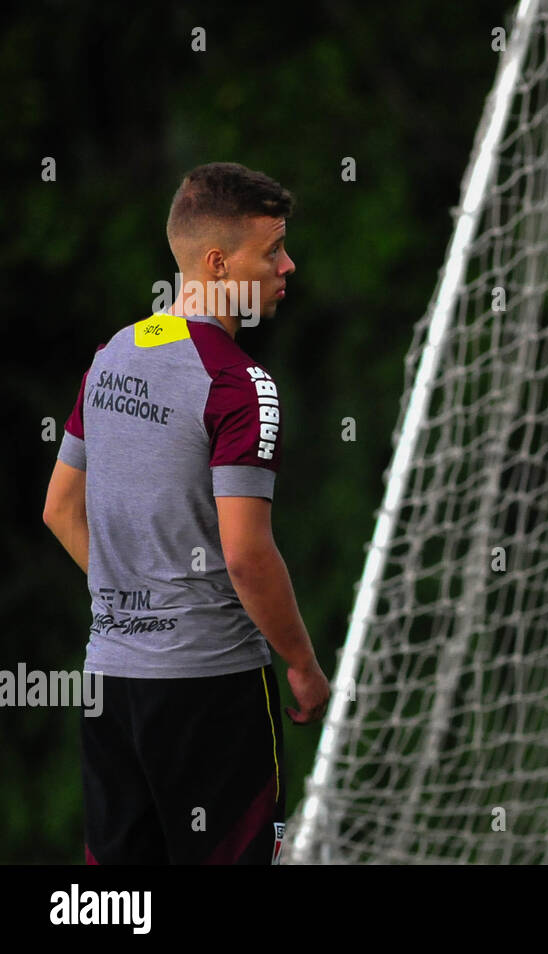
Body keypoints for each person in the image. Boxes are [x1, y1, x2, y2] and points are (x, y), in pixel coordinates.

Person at [42, 161, 330, 864]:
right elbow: (246, 554)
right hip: (212, 689)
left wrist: (134, 601)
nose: (287, 266)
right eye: (272, 251)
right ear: (217, 262)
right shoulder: (239, 383)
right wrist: (302, 663)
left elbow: (58, 509)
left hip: (111, 684)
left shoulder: (110, 358)